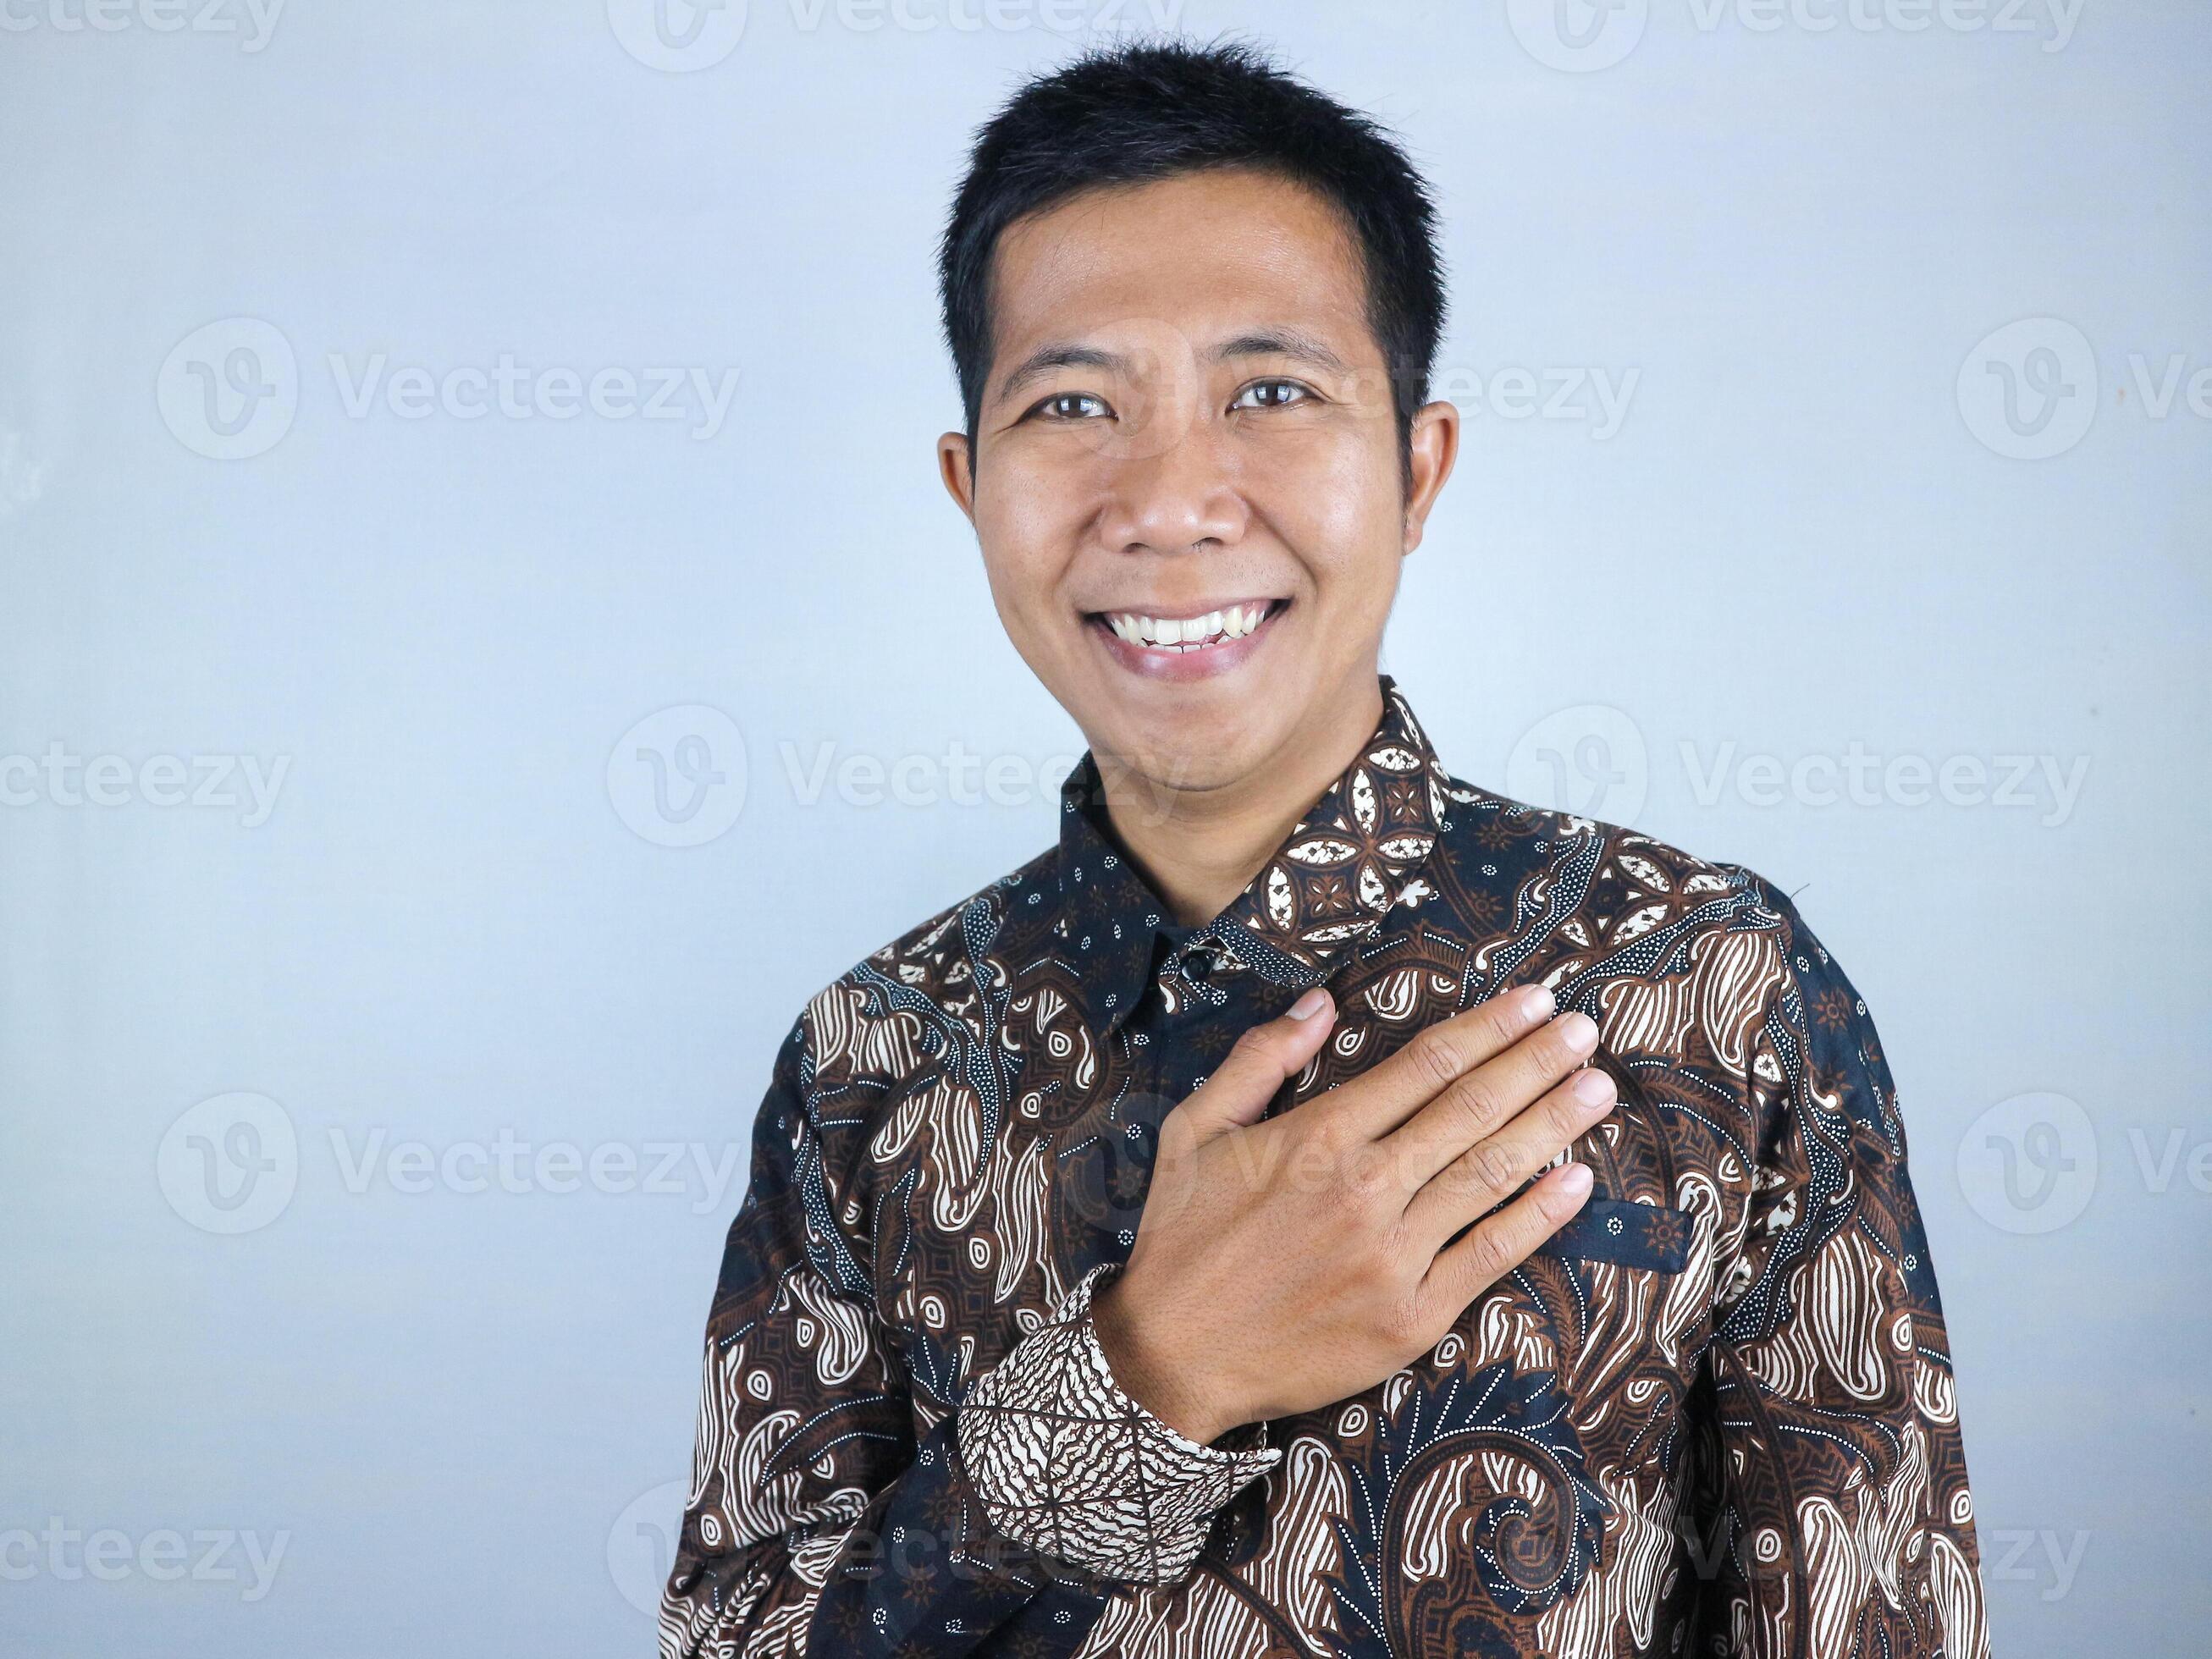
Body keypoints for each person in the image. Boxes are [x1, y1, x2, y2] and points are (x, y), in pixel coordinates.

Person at [658, 39, 1984, 1659]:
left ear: (1416, 470)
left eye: (1269, 392)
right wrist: (1151, 1373)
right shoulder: (873, 1056)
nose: (1167, 501)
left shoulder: (1703, 985)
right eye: (1071, 404)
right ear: (968, 487)